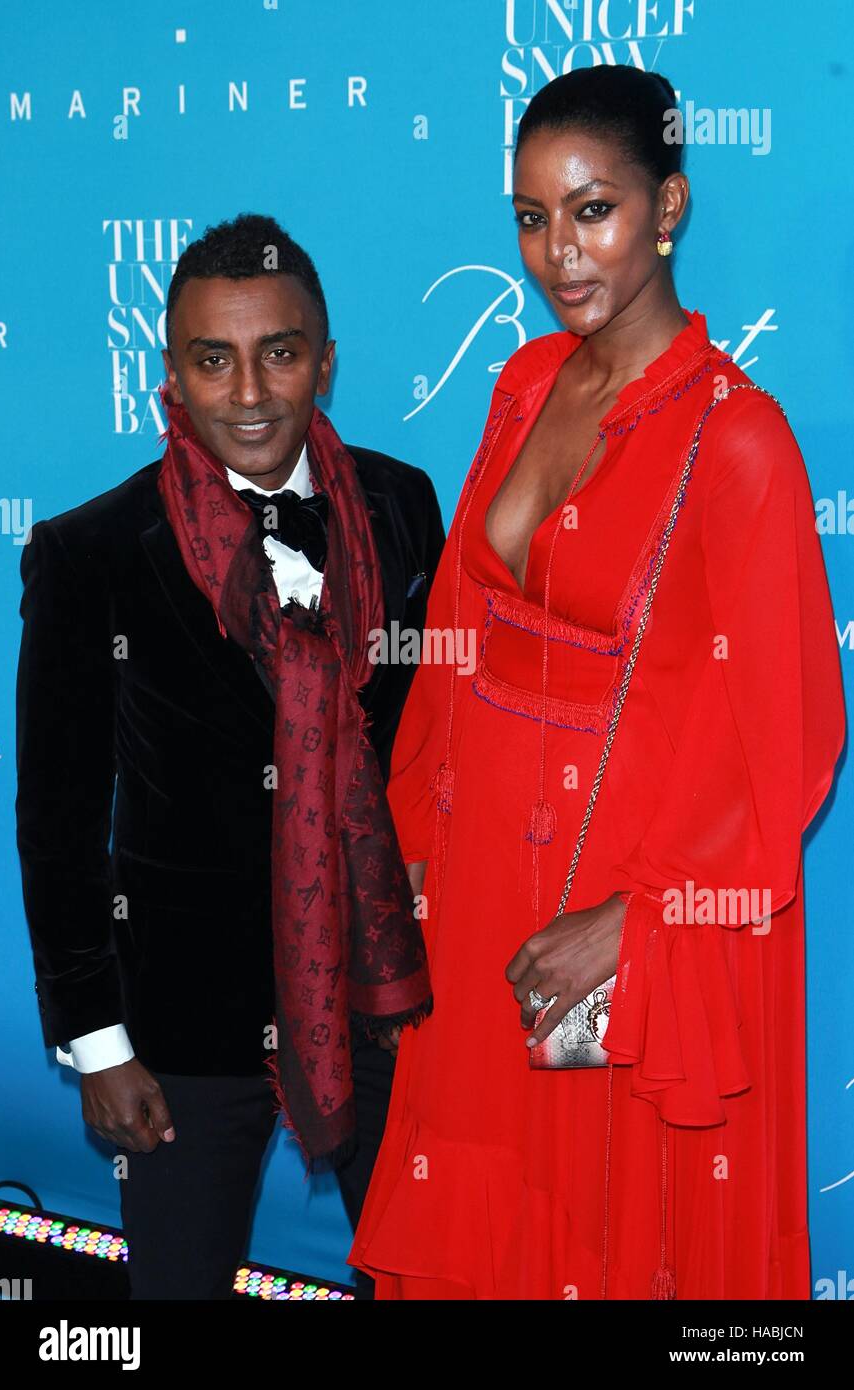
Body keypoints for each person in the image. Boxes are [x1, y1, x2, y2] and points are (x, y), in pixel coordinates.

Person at [347, 67, 846, 1300]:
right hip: (473, 892)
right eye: (530, 216)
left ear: (668, 203)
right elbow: (457, 632)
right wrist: (406, 847)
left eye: (592, 210)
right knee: (474, 1208)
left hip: (615, 896)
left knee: (607, 1233)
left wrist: (642, 918)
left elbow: (787, 740)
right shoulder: (523, 383)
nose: (558, 252)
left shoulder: (737, 437)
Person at [15, 213, 444, 1300]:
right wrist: (97, 1042)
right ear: (170, 375)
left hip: (383, 1001)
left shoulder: (400, 505)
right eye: (214, 359)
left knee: (428, 1279)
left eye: (280, 353)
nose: (249, 393)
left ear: (326, 361)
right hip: (180, 1034)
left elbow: (433, 746)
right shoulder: (92, 552)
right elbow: (58, 820)